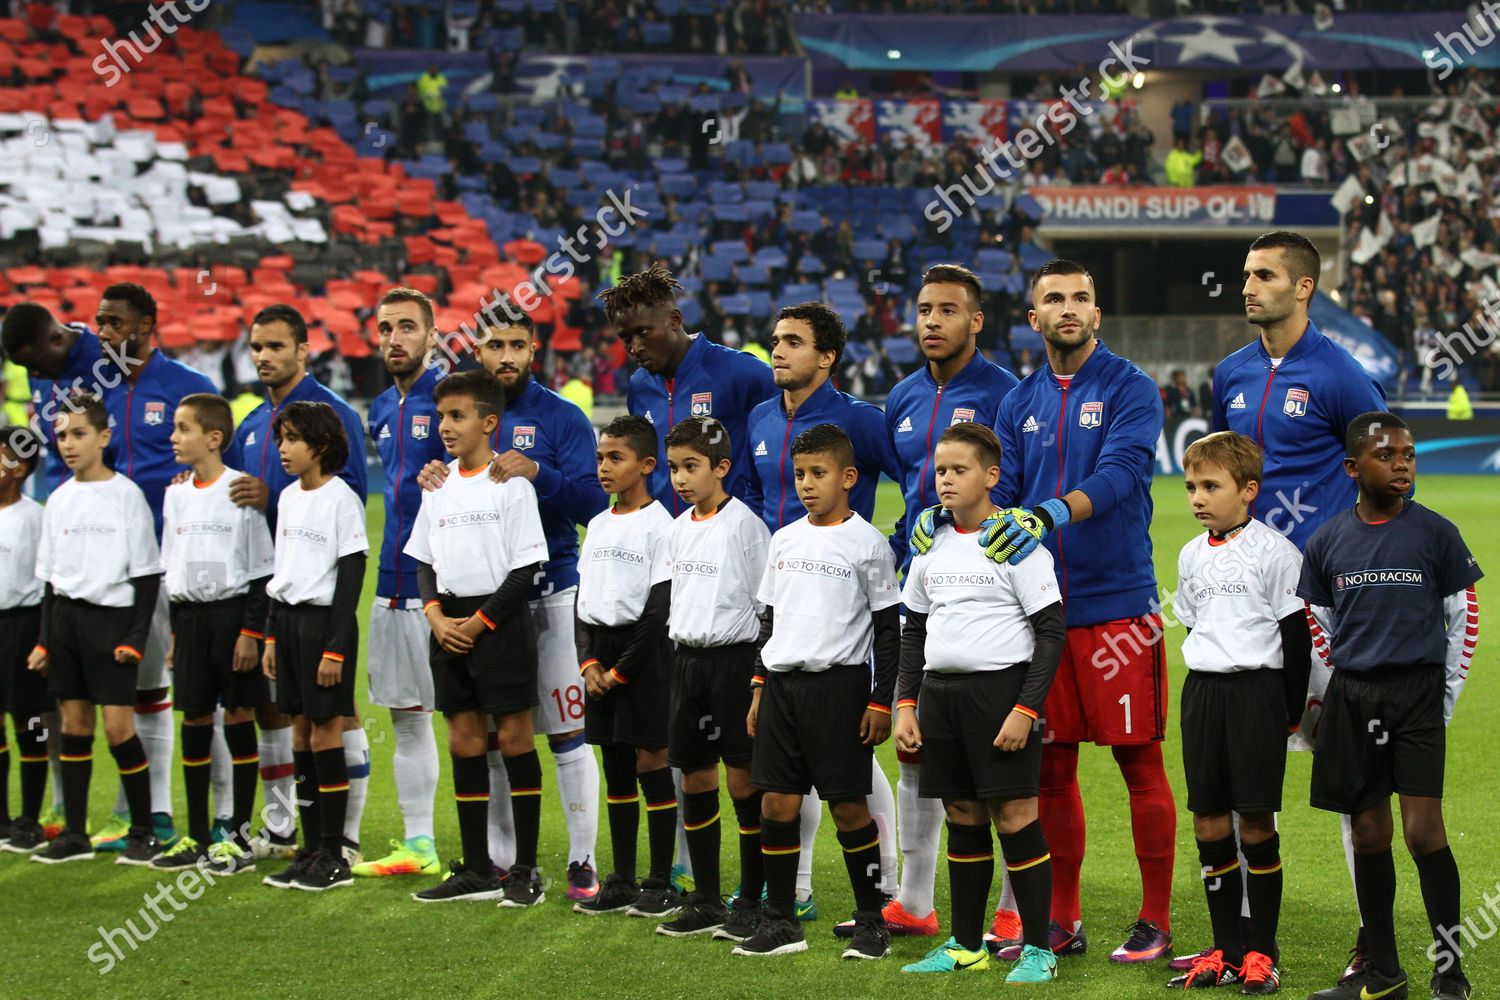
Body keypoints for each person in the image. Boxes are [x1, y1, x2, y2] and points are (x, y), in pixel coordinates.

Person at [944, 258, 1175, 963]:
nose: (1068, 308)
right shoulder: (1018, 403)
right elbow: (1000, 485)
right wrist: (944, 518)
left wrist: (1049, 513)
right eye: (1054, 298)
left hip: (1119, 609)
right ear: (1034, 316)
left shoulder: (1133, 389)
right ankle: (1063, 920)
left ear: (1096, 314)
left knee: (1140, 766)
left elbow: (1123, 472)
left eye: (1081, 297)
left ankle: (1156, 920)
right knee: (1051, 771)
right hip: (1041, 615)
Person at [1206, 231, 1388, 982]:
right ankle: (1252, 943)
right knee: (1252, 775)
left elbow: (1383, 473)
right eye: (1246, 274)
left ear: (1305, 287)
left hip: (1322, 608)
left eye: (1265, 275)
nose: (1248, 286)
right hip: (1245, 607)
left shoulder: (1343, 376)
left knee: (1350, 773)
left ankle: (1372, 937)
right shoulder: (1231, 374)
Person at [419, 308, 607, 900]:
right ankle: (496, 858)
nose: (506, 355)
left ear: (534, 349)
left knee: (565, 732)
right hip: (478, 600)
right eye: (494, 344)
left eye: (517, 345)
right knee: (487, 735)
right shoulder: (464, 412)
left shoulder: (562, 417)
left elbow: (593, 507)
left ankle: (580, 858)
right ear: (477, 349)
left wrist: (539, 473)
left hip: (550, 594)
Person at [1300, 413, 1480, 1000]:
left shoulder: (1436, 534)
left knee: (1424, 833)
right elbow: (1320, 627)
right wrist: (1336, 696)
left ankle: (1450, 971)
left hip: (1418, 696)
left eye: (1408, 454)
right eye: (1387, 455)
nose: (1402, 463)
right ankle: (1383, 974)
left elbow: (1462, 620)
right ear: (1353, 467)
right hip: (1356, 698)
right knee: (1370, 834)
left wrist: (1443, 699)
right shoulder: (1327, 540)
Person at [745, 302, 902, 924]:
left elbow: (916, 481)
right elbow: (756, 494)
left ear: (827, 355)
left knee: (849, 784)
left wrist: (900, 543)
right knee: (781, 786)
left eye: (792, 342)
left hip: (843, 614)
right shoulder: (759, 417)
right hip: (781, 596)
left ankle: (885, 891)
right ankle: (792, 898)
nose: (778, 351)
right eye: (775, 340)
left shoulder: (860, 420)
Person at [894, 423, 1065, 985]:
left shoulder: (1015, 542)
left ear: (990, 477)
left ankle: (1038, 949)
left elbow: (1051, 631)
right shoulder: (929, 543)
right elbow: (914, 630)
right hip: (940, 698)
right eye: (940, 469)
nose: (945, 479)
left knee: (1016, 818)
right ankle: (966, 944)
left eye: (959, 469)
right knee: (963, 817)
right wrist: (905, 704)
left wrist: (1026, 709)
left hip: (1000, 695)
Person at [882, 263, 1020, 942]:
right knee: (921, 747)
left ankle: (1014, 909)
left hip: (991, 597)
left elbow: (1016, 488)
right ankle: (914, 899)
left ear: (976, 321)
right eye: (924, 310)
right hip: (926, 592)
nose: (932, 321)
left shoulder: (1006, 395)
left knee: (998, 758)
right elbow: (906, 492)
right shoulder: (902, 396)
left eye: (947, 310)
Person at [223, 305, 370, 865]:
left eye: (275, 346)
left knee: (332, 724)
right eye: (256, 346)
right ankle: (302, 842)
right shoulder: (255, 427)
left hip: (323, 609)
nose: (263, 356)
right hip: (277, 605)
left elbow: (350, 537)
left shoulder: (331, 424)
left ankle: (341, 842)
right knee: (297, 728)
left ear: (302, 349)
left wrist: (334, 641)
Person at [1168, 431, 1312, 994]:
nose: (1198, 497)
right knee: (1208, 820)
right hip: (1203, 694)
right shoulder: (1189, 553)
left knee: (1254, 823)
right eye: (1191, 487)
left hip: (1257, 695)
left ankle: (1262, 951)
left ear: (1248, 490)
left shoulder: (1275, 552)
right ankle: (1226, 949)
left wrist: (1290, 711)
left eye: (1211, 486)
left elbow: (1294, 634)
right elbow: (1195, 621)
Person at [404, 370, 550, 906]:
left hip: (499, 620)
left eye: (457, 415)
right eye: (442, 416)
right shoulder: (438, 486)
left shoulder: (509, 485)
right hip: (449, 622)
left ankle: (526, 869)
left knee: (513, 737)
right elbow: (423, 559)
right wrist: (437, 617)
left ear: (489, 422)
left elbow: (526, 566)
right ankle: (478, 868)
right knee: (463, 739)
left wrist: (479, 622)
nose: (445, 426)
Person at [88, 284, 217, 855]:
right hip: (123, 566)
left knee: (194, 693)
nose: (105, 332)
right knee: (138, 687)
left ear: (145, 325)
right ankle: (149, 814)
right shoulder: (98, 393)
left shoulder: (190, 387)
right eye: (99, 323)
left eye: (114, 323)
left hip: (182, 562)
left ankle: (214, 818)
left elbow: (217, 474)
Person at [29, 393, 164, 866]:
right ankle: (74, 833)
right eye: (62, 435)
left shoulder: (126, 495)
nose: (69, 444)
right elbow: (49, 581)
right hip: (66, 621)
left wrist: (135, 637)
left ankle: (144, 830)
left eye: (79, 434)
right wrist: (46, 638)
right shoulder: (58, 499)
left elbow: (147, 575)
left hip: (112, 624)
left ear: (104, 437)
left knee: (118, 728)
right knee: (73, 726)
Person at [654, 416, 771, 939]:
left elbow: (765, 605)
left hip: (734, 661)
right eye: (675, 467)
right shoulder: (676, 529)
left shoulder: (745, 526)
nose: (681, 478)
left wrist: (757, 679)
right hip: (688, 663)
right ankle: (704, 897)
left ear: (721, 468)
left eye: (692, 467)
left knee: (744, 781)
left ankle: (749, 898)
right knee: (693, 776)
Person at [354, 288, 447, 880]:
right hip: (390, 581)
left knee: (477, 723)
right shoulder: (382, 409)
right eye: (385, 327)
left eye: (407, 327)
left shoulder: (449, 398)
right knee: (406, 716)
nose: (394, 338)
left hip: (442, 583)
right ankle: (419, 843)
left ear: (432, 337)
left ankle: (500, 856)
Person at [258, 402, 368, 893]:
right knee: (299, 737)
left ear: (320, 445)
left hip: (325, 626)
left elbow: (351, 575)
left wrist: (336, 648)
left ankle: (334, 852)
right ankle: (309, 849)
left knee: (325, 736)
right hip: (288, 623)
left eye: (292, 439)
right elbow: (282, 571)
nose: (283, 448)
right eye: (281, 438)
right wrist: (269, 636)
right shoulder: (286, 497)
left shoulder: (341, 497)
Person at [572, 415, 679, 917]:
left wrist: (619, 672)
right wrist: (590, 662)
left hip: (645, 656)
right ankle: (619, 879)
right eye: (600, 458)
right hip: (602, 654)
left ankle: (659, 880)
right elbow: (583, 601)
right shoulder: (596, 524)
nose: (604, 467)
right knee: (614, 764)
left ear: (647, 464)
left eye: (616, 457)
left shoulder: (663, 527)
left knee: (651, 762)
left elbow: (658, 612)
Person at [603, 263, 776, 515]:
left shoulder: (740, 371)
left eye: (643, 332)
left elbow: (785, 439)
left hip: (730, 536)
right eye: (627, 338)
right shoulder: (639, 386)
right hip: (668, 539)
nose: (635, 347)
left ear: (674, 320)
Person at [0, 426, 48, 854]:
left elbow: (47, 582)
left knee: (30, 723)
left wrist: (43, 639)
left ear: (18, 467)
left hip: (22, 626)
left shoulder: (35, 517)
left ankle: (30, 820)